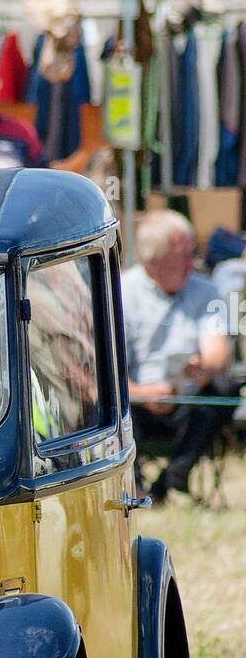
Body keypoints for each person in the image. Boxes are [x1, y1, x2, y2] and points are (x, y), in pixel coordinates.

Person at [121, 210, 233, 503]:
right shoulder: (120, 292)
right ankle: (134, 487)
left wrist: (205, 367)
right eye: (181, 255)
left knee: (223, 387)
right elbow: (98, 372)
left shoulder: (207, 291)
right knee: (110, 402)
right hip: (135, 402)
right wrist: (143, 393)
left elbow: (217, 350)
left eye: (191, 253)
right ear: (152, 261)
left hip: (187, 402)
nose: (190, 263)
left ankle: (172, 480)